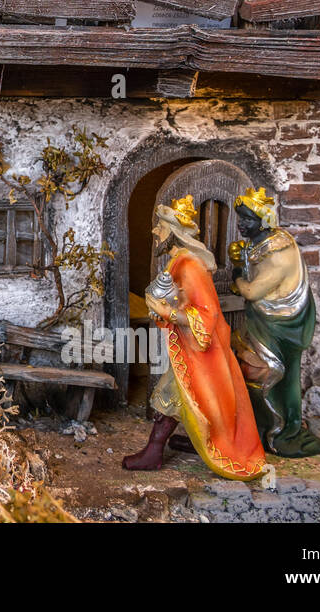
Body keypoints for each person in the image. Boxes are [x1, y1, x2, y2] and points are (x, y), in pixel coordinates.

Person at [122, 196, 266, 480]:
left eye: (159, 226)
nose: (155, 232)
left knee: (171, 395)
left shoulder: (189, 265)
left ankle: (154, 452)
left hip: (201, 352)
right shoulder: (178, 261)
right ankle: (190, 440)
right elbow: (179, 302)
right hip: (189, 348)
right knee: (184, 397)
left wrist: (167, 311)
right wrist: (164, 310)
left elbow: (207, 315)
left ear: (173, 231)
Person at [230, 187, 320, 457]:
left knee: (267, 375)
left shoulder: (278, 255)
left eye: (248, 219)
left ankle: (278, 430)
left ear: (264, 221)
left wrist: (237, 272)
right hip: (263, 320)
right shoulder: (265, 241)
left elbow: (251, 291)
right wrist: (243, 258)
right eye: (240, 218)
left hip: (278, 326)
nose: (241, 224)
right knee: (253, 371)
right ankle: (256, 427)